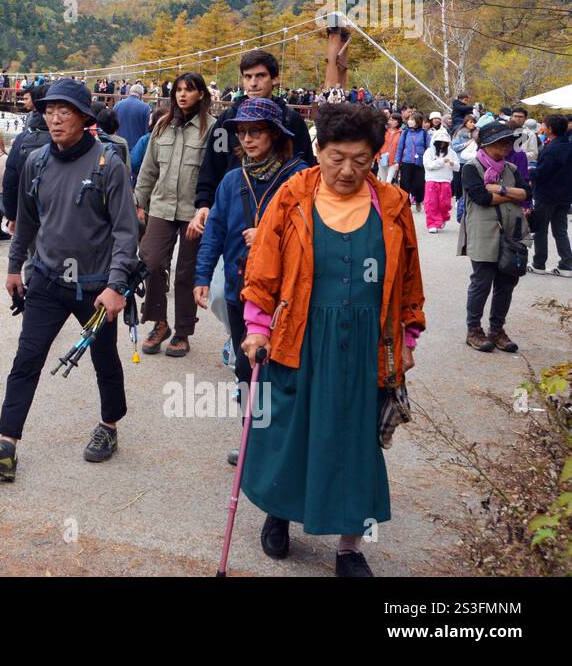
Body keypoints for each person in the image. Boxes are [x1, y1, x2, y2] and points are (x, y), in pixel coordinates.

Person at [238, 102, 425, 577]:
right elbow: (263, 268)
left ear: (375, 157)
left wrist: (408, 336)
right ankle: (279, 512)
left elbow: (408, 281)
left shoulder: (394, 205)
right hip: (300, 331)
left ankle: (348, 546)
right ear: (318, 151)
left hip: (367, 340)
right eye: (337, 157)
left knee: (355, 441)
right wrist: (257, 326)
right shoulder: (292, 196)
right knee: (289, 431)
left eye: (360, 160)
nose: (347, 170)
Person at [0, 79, 140, 481]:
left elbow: (126, 232)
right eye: (49, 110)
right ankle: (6, 445)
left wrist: (116, 285)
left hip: (94, 286)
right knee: (27, 358)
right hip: (45, 278)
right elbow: (25, 222)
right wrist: (14, 267)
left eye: (64, 111)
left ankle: (109, 425)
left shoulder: (108, 165)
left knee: (103, 358)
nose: (55, 117)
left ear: (84, 117)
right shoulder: (37, 160)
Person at [193, 98, 311, 465]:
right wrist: (201, 275)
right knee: (246, 368)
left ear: (275, 134)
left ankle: (284, 446)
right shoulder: (231, 180)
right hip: (237, 288)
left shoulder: (300, 177)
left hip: (285, 294)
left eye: (255, 130)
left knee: (284, 370)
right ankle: (252, 439)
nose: (247, 138)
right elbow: (214, 231)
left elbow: (313, 233)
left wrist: (269, 234)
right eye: (242, 132)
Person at [193, 50, 315, 237]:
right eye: (247, 77)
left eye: (260, 76)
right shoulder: (228, 119)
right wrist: (204, 203)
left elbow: (306, 171)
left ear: (274, 79)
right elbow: (212, 164)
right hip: (233, 208)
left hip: (279, 213)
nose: (253, 83)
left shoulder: (291, 120)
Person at [134, 72, 213, 357]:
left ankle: (182, 331)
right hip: (161, 206)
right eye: (178, 90)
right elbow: (149, 168)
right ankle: (160, 322)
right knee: (151, 261)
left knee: (186, 272)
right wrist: (138, 200)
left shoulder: (213, 129)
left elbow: (215, 174)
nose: (182, 95)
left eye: (189, 90)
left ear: (201, 94)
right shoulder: (162, 126)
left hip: (194, 211)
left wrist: (210, 210)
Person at [459, 121, 530, 352]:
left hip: (511, 231)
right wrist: (512, 194)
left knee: (507, 282)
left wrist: (499, 190)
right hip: (483, 232)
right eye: (499, 143)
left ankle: (497, 329)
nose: (505, 148)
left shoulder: (511, 169)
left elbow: (526, 193)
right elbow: (481, 198)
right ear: (486, 144)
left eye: (507, 143)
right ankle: (474, 330)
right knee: (482, 282)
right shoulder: (471, 168)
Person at [2, 83, 51, 232]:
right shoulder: (74, 142)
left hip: (30, 212)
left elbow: (10, 179)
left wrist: (12, 215)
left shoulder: (24, 138)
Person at [529, 113, 571, 277]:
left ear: (550, 129)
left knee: (540, 229)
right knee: (560, 230)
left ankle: (539, 263)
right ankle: (566, 264)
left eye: (544, 125)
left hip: (547, 194)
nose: (542, 127)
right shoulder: (568, 146)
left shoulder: (551, 149)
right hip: (565, 194)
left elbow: (542, 173)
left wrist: (530, 174)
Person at [422, 128, 460, 234]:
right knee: (431, 203)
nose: (443, 144)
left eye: (445, 143)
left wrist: (452, 163)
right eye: (440, 142)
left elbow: (457, 167)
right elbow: (428, 165)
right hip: (431, 180)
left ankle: (442, 218)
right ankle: (432, 223)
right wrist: (441, 161)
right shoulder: (429, 152)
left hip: (446, 180)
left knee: (445, 203)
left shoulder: (451, 153)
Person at [113, 82, 152, 179]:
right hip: (136, 148)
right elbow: (147, 129)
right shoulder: (145, 107)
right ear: (141, 95)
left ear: (129, 92)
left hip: (118, 145)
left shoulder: (118, 105)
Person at [394, 111, 428, 210]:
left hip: (420, 163)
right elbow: (400, 148)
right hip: (406, 162)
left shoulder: (424, 133)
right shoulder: (405, 133)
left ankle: (418, 200)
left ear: (418, 121)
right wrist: (397, 161)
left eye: (412, 120)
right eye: (409, 119)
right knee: (405, 184)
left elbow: (429, 148)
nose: (409, 121)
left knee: (419, 184)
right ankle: (405, 203)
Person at [377, 113, 402, 183]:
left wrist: (398, 161)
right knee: (382, 181)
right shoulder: (384, 131)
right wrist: (377, 156)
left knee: (389, 182)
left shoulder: (401, 133)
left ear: (398, 122)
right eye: (390, 120)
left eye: (394, 120)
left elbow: (401, 148)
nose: (392, 122)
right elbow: (378, 144)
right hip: (382, 159)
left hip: (394, 161)